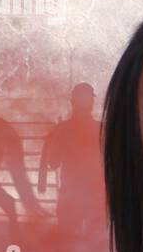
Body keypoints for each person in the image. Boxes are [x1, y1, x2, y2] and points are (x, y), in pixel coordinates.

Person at [39, 82, 102, 237]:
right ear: (92, 104)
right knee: (95, 244)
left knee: (69, 242)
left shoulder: (63, 130)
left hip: (71, 195)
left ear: (73, 103)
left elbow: (53, 163)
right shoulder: (102, 129)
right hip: (96, 196)